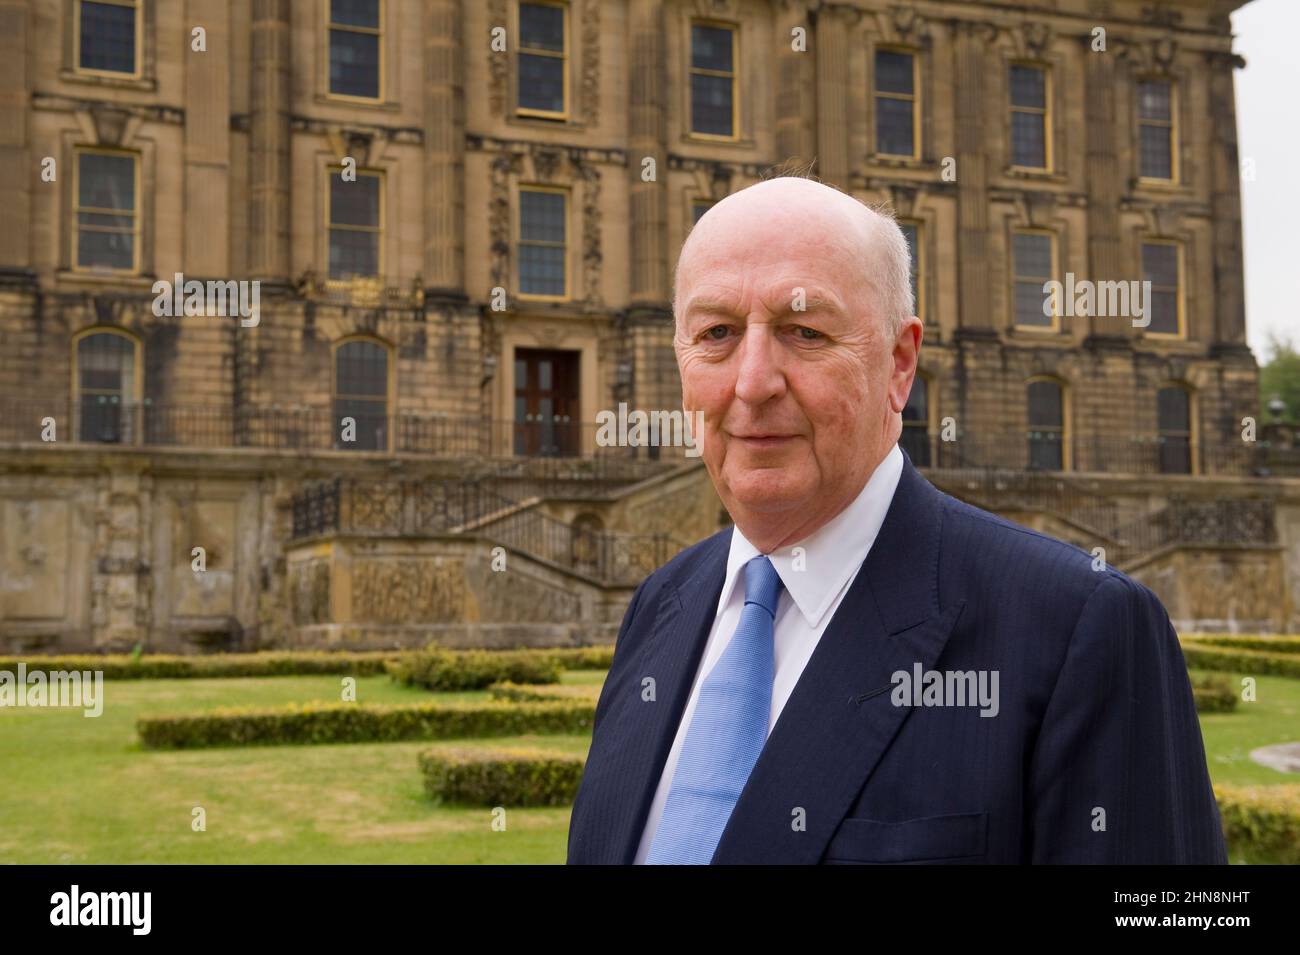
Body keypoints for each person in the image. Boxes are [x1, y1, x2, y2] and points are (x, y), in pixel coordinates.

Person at [566, 175, 1226, 864]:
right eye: (717, 333)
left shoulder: (1079, 630)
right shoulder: (659, 606)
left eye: (804, 331)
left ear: (899, 364)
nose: (753, 381)